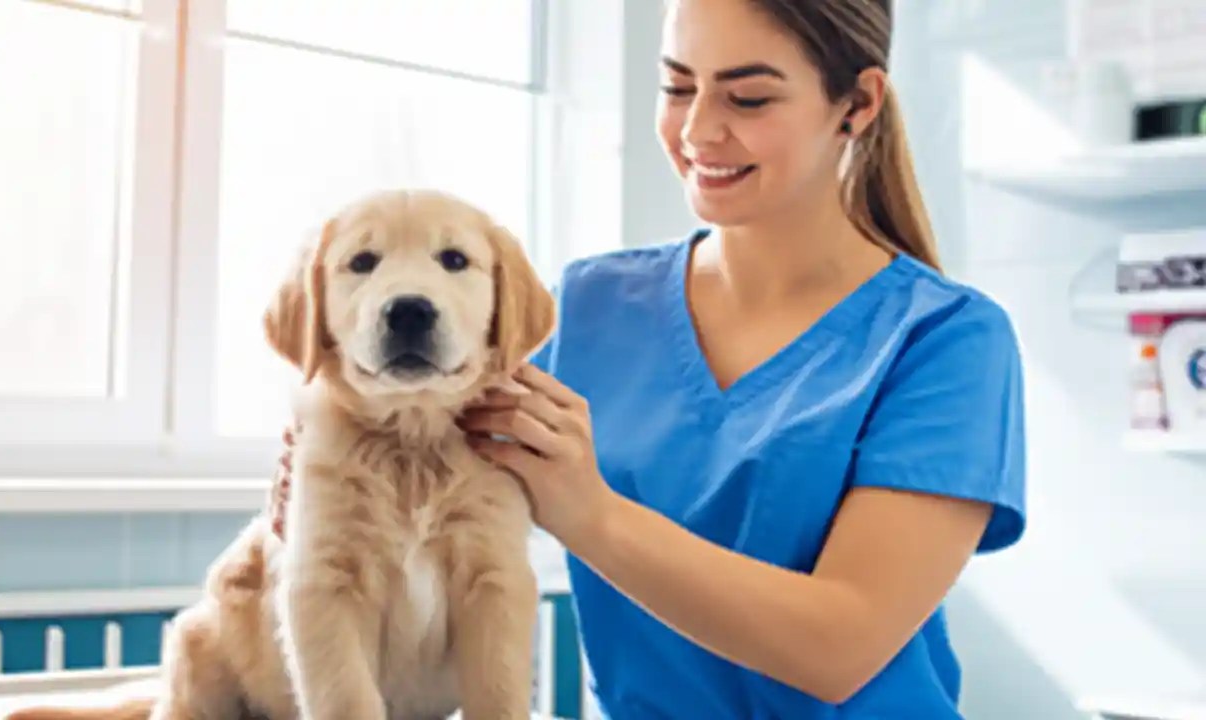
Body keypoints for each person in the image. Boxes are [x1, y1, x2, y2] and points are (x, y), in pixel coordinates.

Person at [270, 0, 1027, 717]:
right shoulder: (593, 304)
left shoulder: (946, 342)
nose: (698, 129)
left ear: (857, 104)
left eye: (749, 99)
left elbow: (840, 645)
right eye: (676, 86)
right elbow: (431, 472)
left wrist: (588, 511)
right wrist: (319, 488)